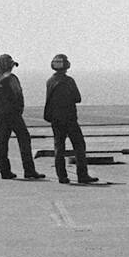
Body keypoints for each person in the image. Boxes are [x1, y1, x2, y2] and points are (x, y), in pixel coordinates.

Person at [44, 53, 99, 185]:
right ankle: (82, 174)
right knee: (79, 146)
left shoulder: (50, 81)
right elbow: (77, 98)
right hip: (69, 118)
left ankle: (62, 176)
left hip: (56, 119)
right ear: (66, 66)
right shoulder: (69, 81)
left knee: (59, 148)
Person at [0, 54, 44, 181]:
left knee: (2, 142)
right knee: (24, 139)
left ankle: (4, 171)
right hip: (12, 114)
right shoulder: (11, 78)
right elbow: (17, 94)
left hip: (0, 114)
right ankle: (29, 169)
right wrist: (18, 108)